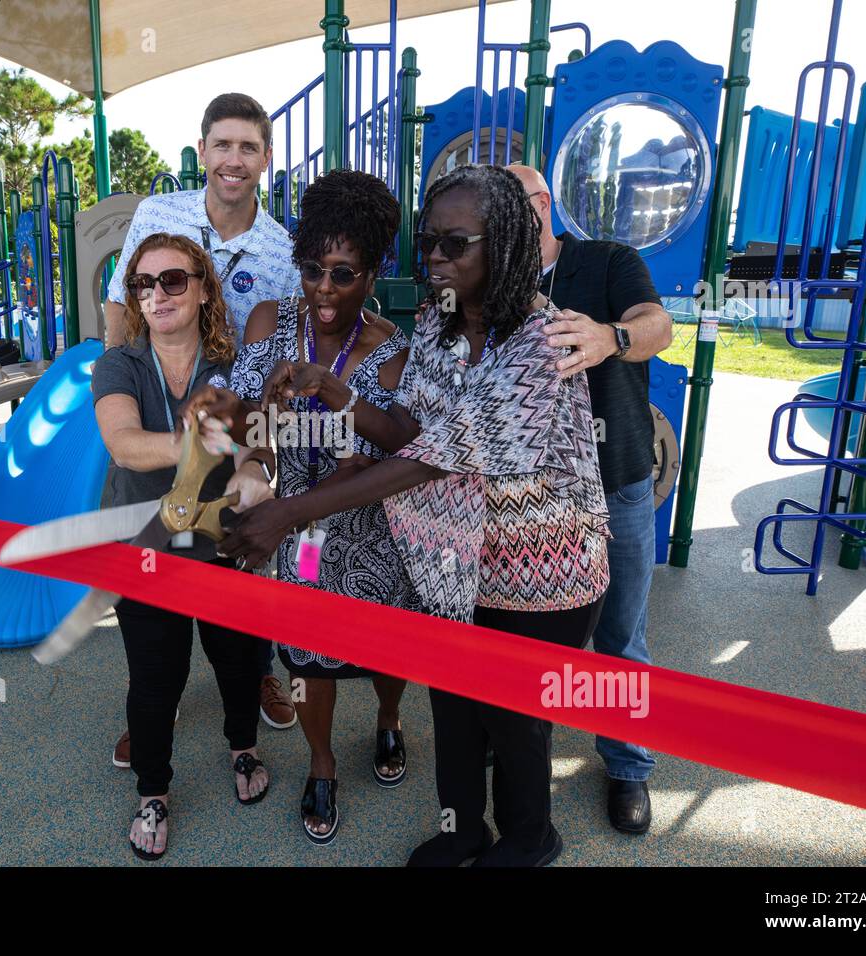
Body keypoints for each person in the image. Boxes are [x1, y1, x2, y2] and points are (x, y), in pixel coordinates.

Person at [220, 164, 611, 866]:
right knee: (455, 709)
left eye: (454, 242)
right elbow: (407, 430)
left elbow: (437, 456)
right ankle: (463, 829)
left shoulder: (541, 342)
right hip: (455, 561)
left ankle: (530, 840)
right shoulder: (434, 325)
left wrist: (291, 512)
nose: (434, 256)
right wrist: (333, 390)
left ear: (509, 242)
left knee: (516, 722)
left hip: (541, 572)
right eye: (429, 240)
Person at [185, 169, 412, 845]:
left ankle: (390, 721)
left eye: (344, 273)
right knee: (307, 658)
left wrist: (331, 389)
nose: (322, 288)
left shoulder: (392, 351)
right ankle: (321, 761)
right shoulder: (268, 320)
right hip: (294, 532)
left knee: (385, 654)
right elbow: (251, 420)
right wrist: (263, 413)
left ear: (373, 274)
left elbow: (397, 442)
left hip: (368, 530)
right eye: (312, 268)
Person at [104, 93, 301, 745]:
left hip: (236, 410)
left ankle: (257, 670)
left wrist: (257, 442)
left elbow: (277, 353)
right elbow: (118, 301)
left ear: (266, 159)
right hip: (164, 381)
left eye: (248, 147)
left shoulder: (282, 251)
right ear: (203, 150)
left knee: (244, 549)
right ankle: (151, 697)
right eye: (222, 145)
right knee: (151, 545)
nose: (233, 160)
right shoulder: (160, 214)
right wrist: (123, 376)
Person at [90, 232, 277, 861]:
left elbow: (256, 442)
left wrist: (254, 469)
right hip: (145, 543)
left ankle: (243, 747)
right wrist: (202, 447)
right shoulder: (120, 363)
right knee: (154, 674)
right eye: (143, 284)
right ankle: (154, 791)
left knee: (238, 658)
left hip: (224, 540)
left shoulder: (235, 366)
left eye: (173, 280)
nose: (157, 294)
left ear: (201, 289)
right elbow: (124, 444)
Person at [507, 162, 672, 835]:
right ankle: (517, 745)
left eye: (510, 201)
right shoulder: (493, 282)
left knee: (620, 635)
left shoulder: (606, 261)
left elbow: (657, 325)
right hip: (528, 499)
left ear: (543, 203)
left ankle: (628, 766)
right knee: (527, 633)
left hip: (617, 483)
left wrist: (612, 337)